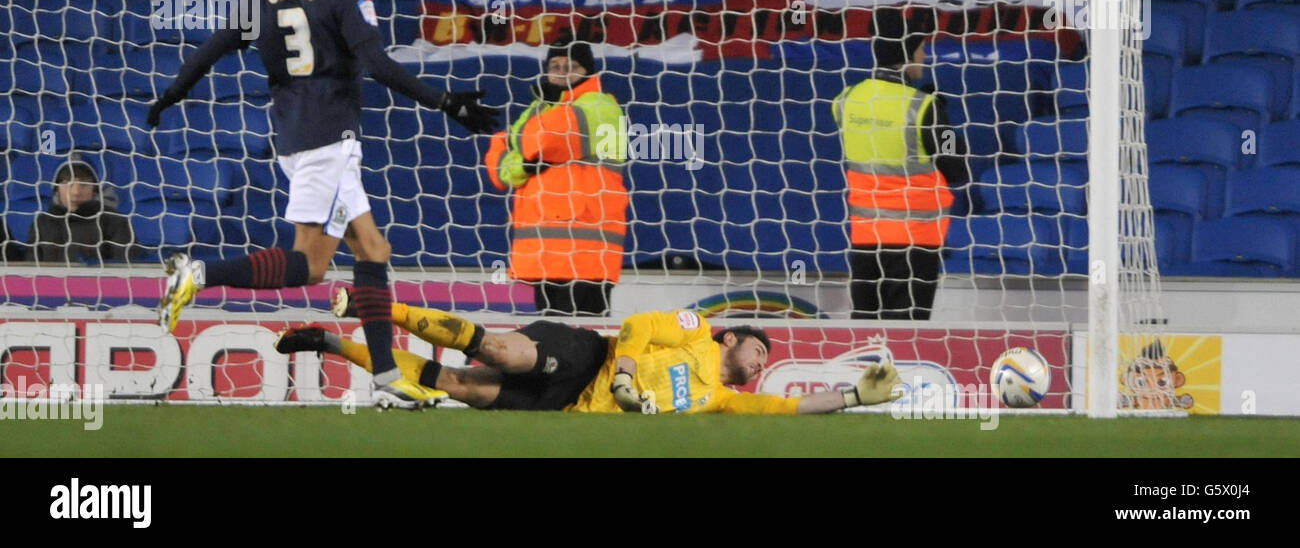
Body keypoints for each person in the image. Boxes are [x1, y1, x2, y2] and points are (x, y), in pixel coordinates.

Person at [145, 0, 499, 409]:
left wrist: (172, 94)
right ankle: (197, 274)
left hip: (292, 135)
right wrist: (443, 101)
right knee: (309, 266)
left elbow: (213, 47)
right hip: (329, 139)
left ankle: (385, 377)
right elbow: (377, 63)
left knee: (373, 250)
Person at [275, 289, 902, 414]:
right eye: (760, 350)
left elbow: (787, 411)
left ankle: (332, 343)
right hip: (586, 359)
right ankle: (379, 308)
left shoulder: (721, 400)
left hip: (570, 409)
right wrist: (625, 376)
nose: (764, 362)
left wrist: (850, 395)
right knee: (501, 350)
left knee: (459, 387)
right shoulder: (696, 327)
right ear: (732, 339)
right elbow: (636, 325)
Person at [833, 7, 967, 320]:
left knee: (866, 330)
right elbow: (957, 168)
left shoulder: (846, 99)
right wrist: (942, 119)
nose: (924, 56)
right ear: (906, 54)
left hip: (866, 240)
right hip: (915, 242)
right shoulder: (924, 107)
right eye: (921, 49)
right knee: (907, 335)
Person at [483, 41, 629, 316]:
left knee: (585, 340)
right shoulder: (543, 107)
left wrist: (521, 159)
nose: (561, 72)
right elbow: (497, 155)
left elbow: (546, 140)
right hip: (547, 253)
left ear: (588, 71)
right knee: (551, 341)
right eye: (554, 66)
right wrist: (523, 164)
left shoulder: (601, 106)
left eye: (571, 67)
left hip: (586, 253)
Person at [26, 157, 136, 264]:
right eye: (67, 183)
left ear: (95, 189)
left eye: (84, 184)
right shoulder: (42, 223)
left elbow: (126, 268)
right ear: (56, 189)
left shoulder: (115, 221)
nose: (76, 192)